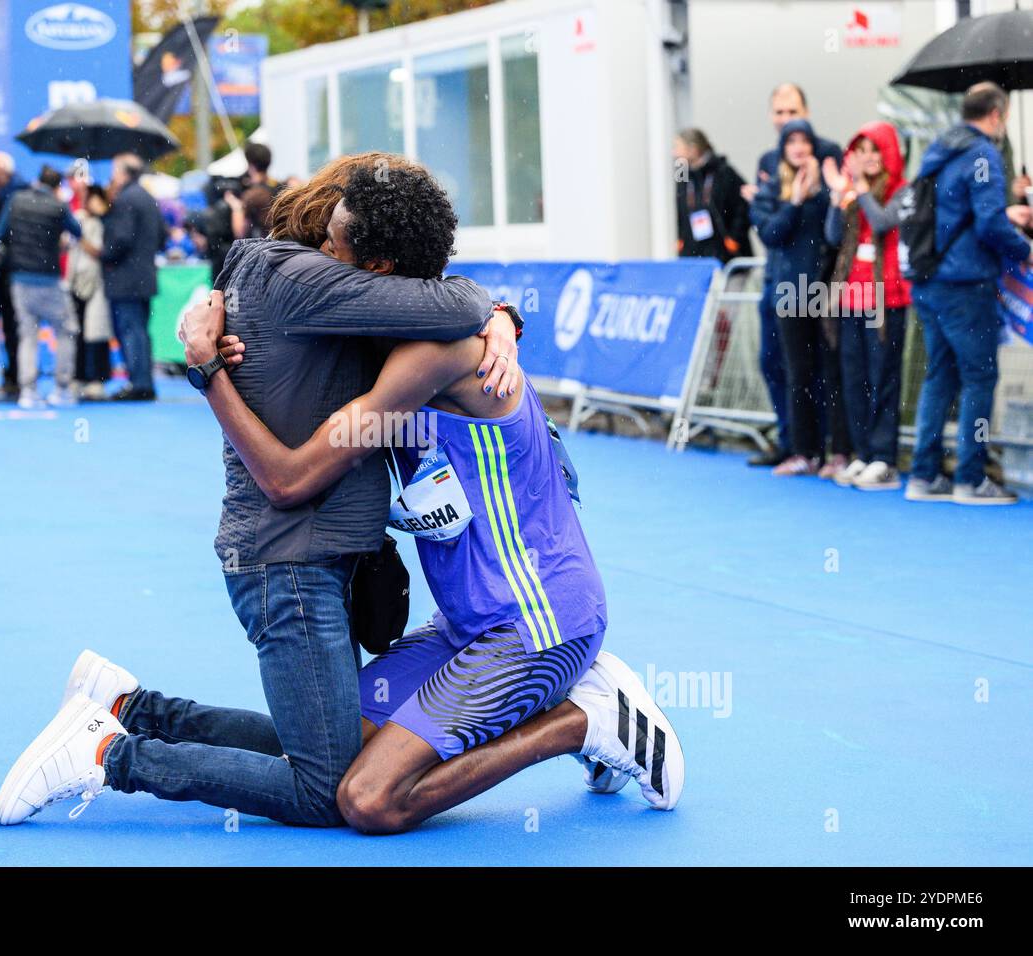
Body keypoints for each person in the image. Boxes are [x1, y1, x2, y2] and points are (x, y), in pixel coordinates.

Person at [0, 155, 523, 828]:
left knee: (331, 746)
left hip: (300, 557)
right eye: (344, 237)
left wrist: (500, 315)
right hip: (290, 561)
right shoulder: (306, 279)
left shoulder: (284, 272)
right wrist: (493, 310)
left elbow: (438, 301)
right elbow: (448, 302)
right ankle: (106, 755)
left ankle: (130, 707)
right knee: (325, 788)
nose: (344, 252)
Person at [170, 179, 686, 831]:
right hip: (466, 625)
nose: (318, 258)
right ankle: (144, 715)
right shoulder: (407, 336)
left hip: (539, 621)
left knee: (368, 799)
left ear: (378, 269)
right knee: (339, 746)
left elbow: (289, 482)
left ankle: (583, 721)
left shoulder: (430, 359)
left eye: (330, 244)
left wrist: (207, 370)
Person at [902, 83, 1026, 505]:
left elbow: (961, 213)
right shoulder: (983, 155)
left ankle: (924, 474)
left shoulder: (940, 151)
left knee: (940, 376)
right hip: (965, 284)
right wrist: (1025, 248)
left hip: (929, 280)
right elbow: (989, 224)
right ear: (997, 114)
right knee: (980, 378)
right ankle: (971, 478)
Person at [747, 84, 844, 468]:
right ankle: (794, 444)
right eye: (780, 114)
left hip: (818, 286)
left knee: (825, 369)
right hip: (781, 284)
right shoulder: (769, 164)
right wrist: (790, 200)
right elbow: (769, 229)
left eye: (793, 113)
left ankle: (828, 448)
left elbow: (835, 229)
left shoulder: (829, 155)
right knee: (778, 364)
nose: (786, 122)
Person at [821, 122, 912, 491]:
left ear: (889, 153)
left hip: (886, 300)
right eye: (862, 150)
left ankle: (883, 457)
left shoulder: (903, 191)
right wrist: (836, 198)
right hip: (850, 300)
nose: (869, 158)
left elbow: (883, 221)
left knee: (883, 378)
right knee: (854, 380)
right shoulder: (852, 192)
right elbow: (832, 236)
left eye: (876, 150)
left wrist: (858, 189)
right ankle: (861, 452)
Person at [0, 165, 82, 409]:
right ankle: (61, 387)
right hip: (48, 278)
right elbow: (77, 231)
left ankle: (28, 390)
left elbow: (0, 232)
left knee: (27, 335)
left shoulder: (16, 200)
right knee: (65, 331)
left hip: (20, 277)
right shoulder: (58, 206)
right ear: (56, 186)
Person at [101, 154, 165, 401]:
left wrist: (105, 254)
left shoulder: (126, 199)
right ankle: (143, 381)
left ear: (124, 173)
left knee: (130, 330)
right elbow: (161, 235)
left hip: (126, 276)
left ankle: (139, 383)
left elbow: (121, 238)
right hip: (143, 274)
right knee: (139, 330)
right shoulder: (147, 197)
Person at [0, 152, 28, 396]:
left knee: (14, 325)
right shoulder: (20, 190)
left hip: (14, 268)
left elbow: (2, 230)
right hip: (18, 267)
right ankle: (16, 374)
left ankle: (16, 374)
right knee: (15, 326)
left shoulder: (13, 194)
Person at [673, 128, 750, 263]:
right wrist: (681, 240)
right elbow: (680, 210)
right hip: (693, 253)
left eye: (678, 148)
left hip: (725, 252)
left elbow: (743, 206)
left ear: (693, 149)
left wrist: (734, 238)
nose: (674, 153)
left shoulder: (723, 171)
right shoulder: (683, 174)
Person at [68, 184, 113, 399]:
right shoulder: (78, 218)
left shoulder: (105, 222)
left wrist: (80, 236)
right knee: (76, 333)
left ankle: (97, 379)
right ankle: (78, 377)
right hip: (76, 283)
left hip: (97, 284)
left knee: (96, 334)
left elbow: (99, 250)